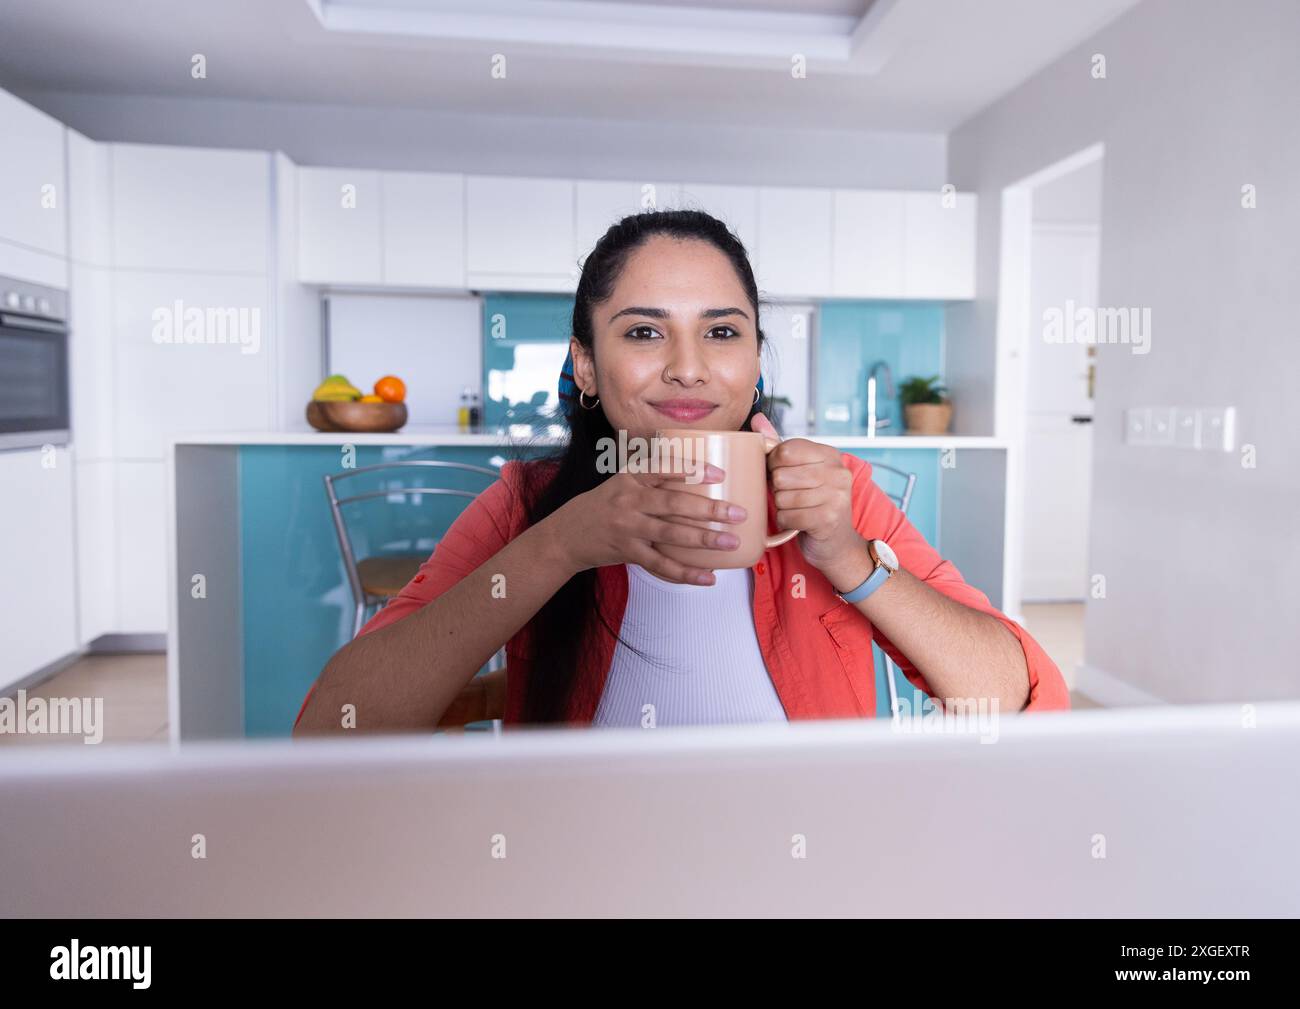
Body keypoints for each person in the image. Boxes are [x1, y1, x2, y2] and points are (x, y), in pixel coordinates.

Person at [293, 210, 1068, 734]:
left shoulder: (836, 498)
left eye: (722, 331)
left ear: (756, 358)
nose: (689, 369)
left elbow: (1011, 696)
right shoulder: (528, 507)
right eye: (644, 332)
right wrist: (560, 546)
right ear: (586, 366)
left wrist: (850, 560)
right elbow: (337, 724)